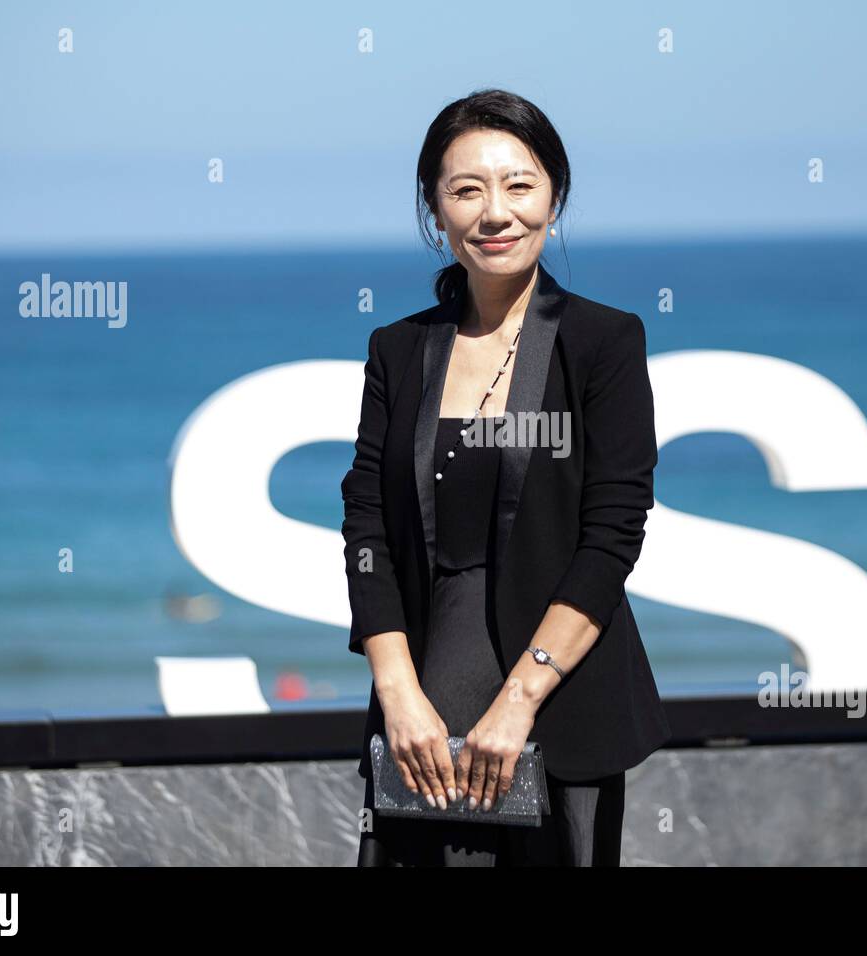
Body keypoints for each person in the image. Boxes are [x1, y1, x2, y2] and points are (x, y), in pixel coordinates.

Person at [341, 88, 670, 866]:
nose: (496, 213)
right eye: (467, 190)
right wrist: (396, 690)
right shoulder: (397, 349)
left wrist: (519, 701)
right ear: (436, 211)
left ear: (554, 197)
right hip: (421, 713)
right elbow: (367, 525)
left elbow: (612, 535)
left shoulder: (604, 341)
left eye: (519, 185)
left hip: (558, 708)